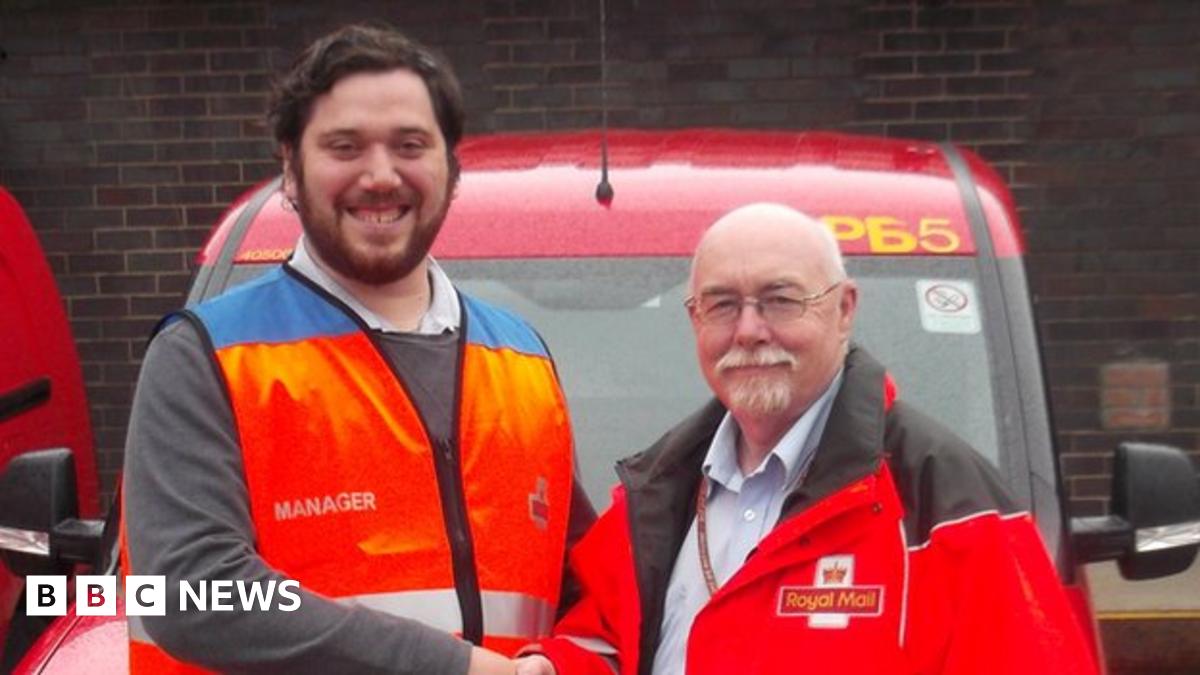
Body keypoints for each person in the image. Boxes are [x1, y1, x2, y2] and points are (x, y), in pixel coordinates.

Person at [122, 24, 593, 675]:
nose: (380, 175)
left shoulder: (521, 356)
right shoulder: (206, 355)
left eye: (410, 145)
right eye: (344, 147)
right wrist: (458, 668)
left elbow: (588, 587)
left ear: (450, 168)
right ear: (291, 167)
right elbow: (192, 593)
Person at [516, 203, 1099, 675]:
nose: (748, 331)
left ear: (844, 309)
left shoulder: (944, 502)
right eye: (722, 305)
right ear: (695, 320)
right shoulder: (654, 500)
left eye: (780, 299)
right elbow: (606, 647)